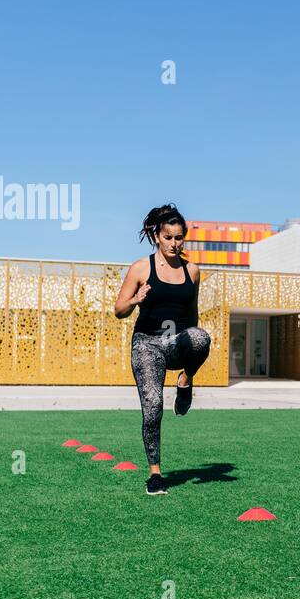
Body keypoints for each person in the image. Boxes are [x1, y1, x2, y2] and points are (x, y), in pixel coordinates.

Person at [113, 204, 211, 495]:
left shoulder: (192, 271)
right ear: (157, 236)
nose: (174, 243)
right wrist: (135, 300)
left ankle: (185, 379)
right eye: (168, 237)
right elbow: (119, 310)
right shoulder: (141, 268)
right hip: (147, 344)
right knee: (153, 408)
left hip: (177, 342)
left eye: (179, 237)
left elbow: (192, 316)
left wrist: (188, 350)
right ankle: (155, 473)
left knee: (201, 337)